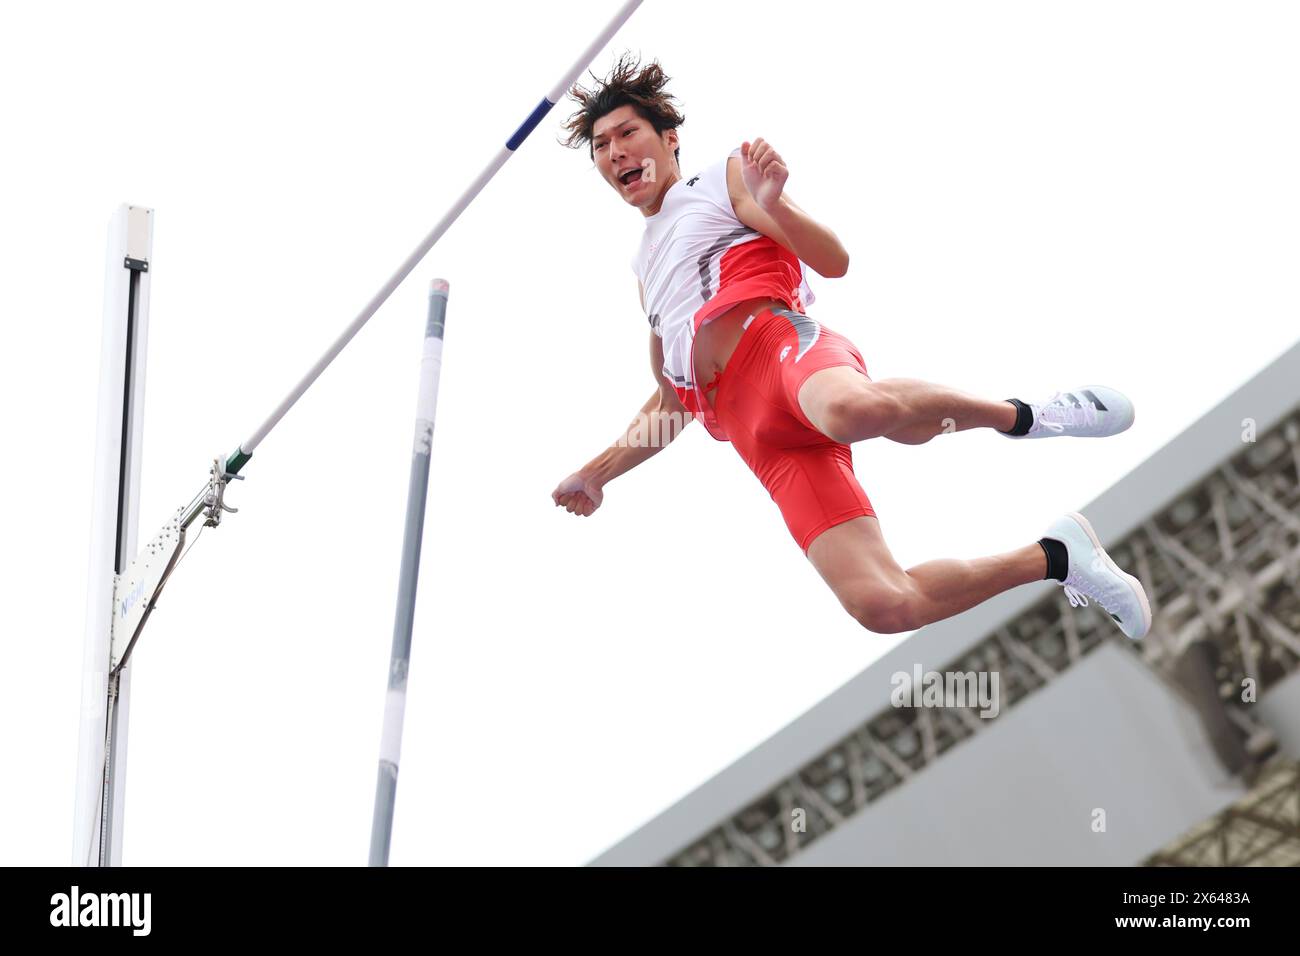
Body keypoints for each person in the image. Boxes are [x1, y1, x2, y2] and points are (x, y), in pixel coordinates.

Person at [551, 53, 1150, 639]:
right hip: (762, 439)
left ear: (669, 138)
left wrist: (775, 201)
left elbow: (833, 262)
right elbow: (671, 402)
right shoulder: (644, 272)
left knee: (851, 410)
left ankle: (1027, 416)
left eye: (627, 132)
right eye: (601, 146)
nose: (615, 152)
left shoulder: (719, 180)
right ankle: (1058, 557)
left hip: (779, 350)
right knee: (883, 606)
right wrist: (597, 472)